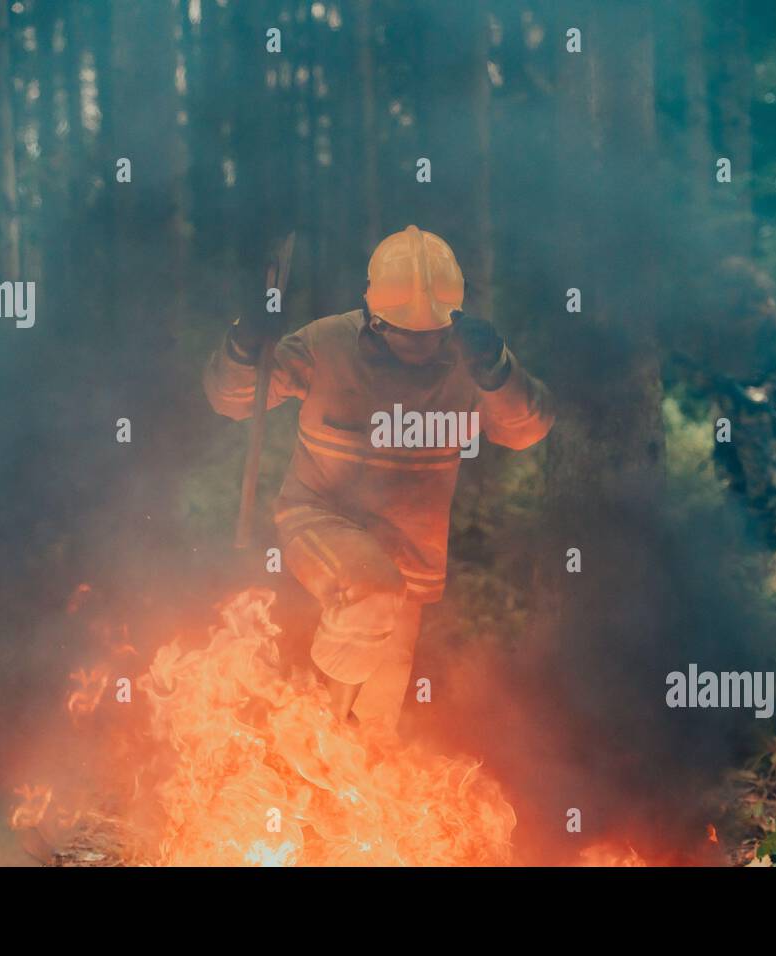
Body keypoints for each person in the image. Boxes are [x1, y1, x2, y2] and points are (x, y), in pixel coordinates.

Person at [204, 225, 553, 732]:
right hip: (318, 519)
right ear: (373, 317)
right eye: (404, 330)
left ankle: (339, 784)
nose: (419, 342)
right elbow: (232, 400)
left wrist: (497, 371)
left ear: (452, 320)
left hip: (410, 559)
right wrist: (244, 345)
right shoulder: (327, 344)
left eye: (430, 332)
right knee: (370, 592)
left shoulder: (471, 361)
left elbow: (527, 430)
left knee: (375, 727)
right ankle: (308, 734)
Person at [681, 257, 776, 552]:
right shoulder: (713, 326)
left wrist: (763, 391)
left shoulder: (770, 322)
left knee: (773, 490)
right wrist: (709, 379)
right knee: (733, 485)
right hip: (728, 418)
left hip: (764, 420)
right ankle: (750, 556)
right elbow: (699, 372)